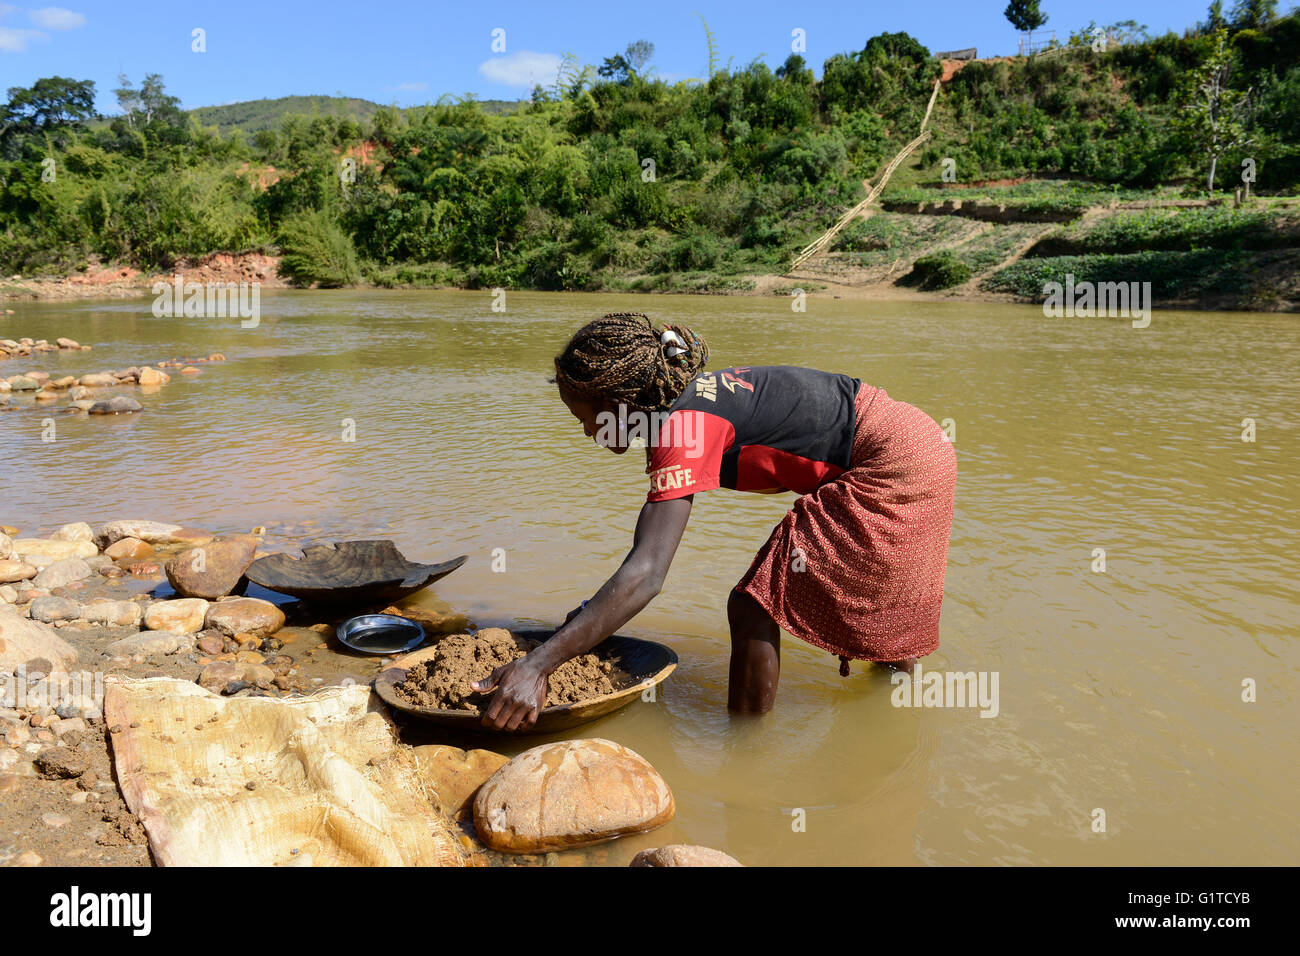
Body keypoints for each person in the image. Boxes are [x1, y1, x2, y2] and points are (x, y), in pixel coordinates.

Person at [473, 312, 957, 730]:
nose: (585, 432)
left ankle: (745, 751)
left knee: (752, 605)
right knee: (873, 601)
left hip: (893, 460)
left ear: (616, 402)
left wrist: (537, 665)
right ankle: (893, 716)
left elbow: (646, 575)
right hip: (917, 439)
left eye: (584, 417)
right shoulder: (686, 408)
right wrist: (591, 617)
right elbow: (644, 557)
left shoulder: (681, 429)